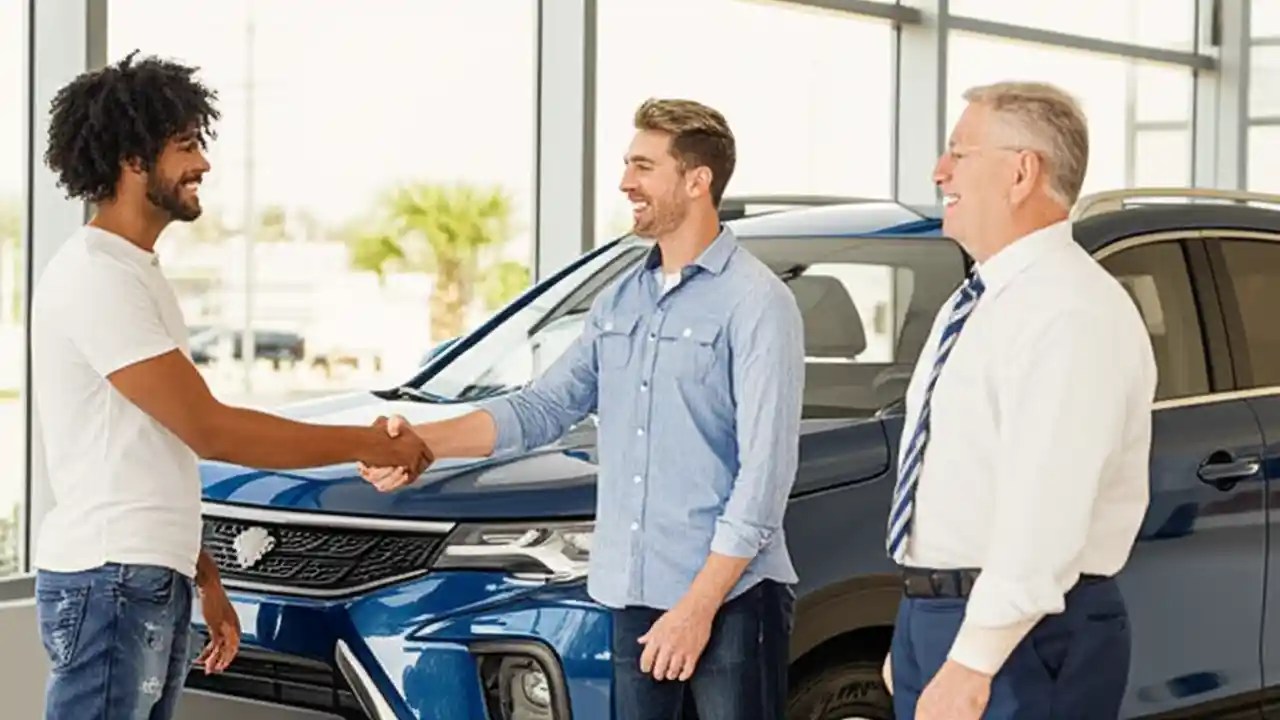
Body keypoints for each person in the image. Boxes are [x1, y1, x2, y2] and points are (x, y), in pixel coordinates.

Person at [359, 98, 805, 720]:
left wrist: (697, 609)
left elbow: (764, 477)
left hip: (729, 600)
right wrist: (422, 443)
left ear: (697, 180)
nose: (626, 182)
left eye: (644, 166)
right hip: (633, 594)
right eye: (627, 164)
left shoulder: (758, 304)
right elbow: (542, 407)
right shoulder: (621, 301)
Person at [30, 52, 433, 720]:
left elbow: (152, 450)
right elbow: (210, 427)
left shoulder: (133, 271)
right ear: (133, 159)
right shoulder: (97, 276)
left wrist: (204, 577)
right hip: (111, 579)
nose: (204, 165)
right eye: (186, 146)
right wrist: (371, 443)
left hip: (142, 575)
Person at [881, 80, 1157, 719]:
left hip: (1022, 635)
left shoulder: (1069, 311)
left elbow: (1045, 510)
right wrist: (921, 618)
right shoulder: (978, 299)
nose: (939, 170)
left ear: (1021, 172)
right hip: (945, 614)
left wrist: (973, 656)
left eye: (960, 152)